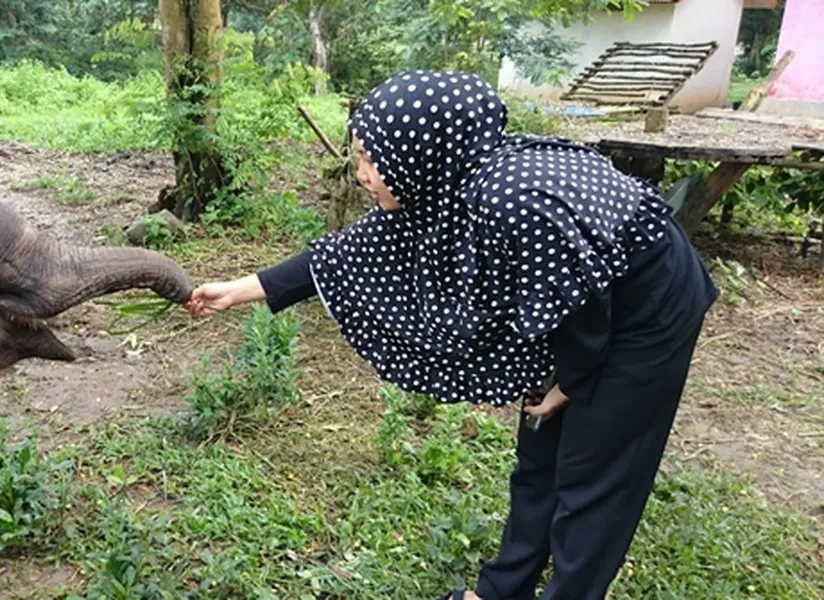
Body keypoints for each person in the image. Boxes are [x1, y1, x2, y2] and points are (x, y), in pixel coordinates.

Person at [183, 70, 718, 600]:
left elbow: (586, 310)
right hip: (572, 300)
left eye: (371, 159)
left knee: (592, 475)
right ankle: (501, 591)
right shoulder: (441, 180)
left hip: (644, 308)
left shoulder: (512, 199)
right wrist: (238, 290)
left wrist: (570, 383)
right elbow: (346, 255)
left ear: (417, 151)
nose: (362, 174)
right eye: (361, 156)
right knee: (538, 456)